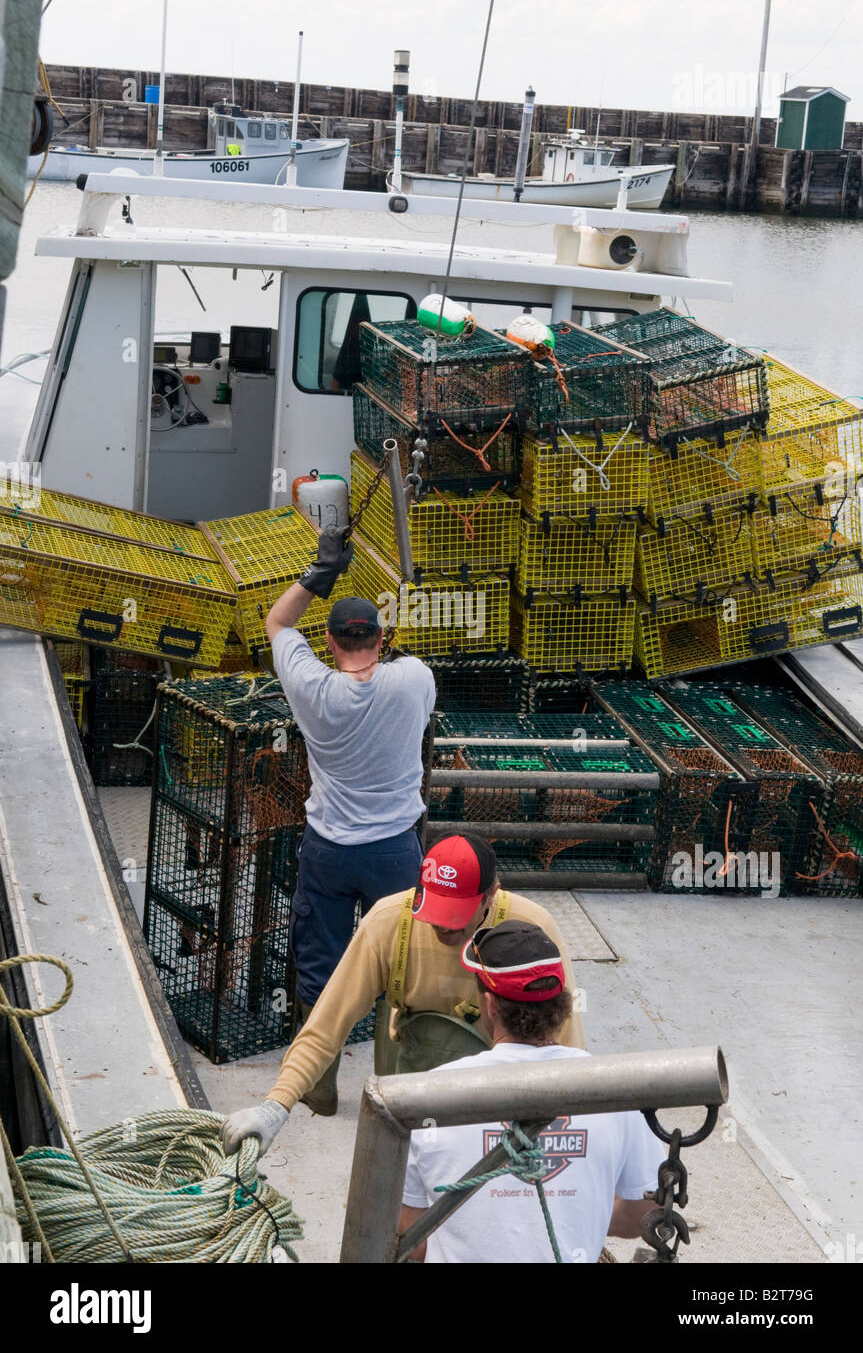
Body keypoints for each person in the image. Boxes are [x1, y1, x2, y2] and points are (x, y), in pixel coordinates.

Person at [220, 834, 586, 1157]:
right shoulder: (390, 922)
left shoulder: (529, 930)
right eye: (436, 910)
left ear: (491, 894)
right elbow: (324, 1028)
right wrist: (276, 1105)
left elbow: (563, 1042)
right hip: (409, 1075)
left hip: (495, 1093)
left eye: (455, 915)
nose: (443, 926)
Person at [263, 524, 435, 1114]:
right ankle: (395, 1088)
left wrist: (319, 573)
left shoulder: (312, 687)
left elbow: (278, 624)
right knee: (403, 963)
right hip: (394, 851)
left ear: (332, 643)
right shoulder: (414, 680)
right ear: (380, 638)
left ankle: (317, 1085)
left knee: (323, 964)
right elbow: (408, 679)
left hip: (329, 849)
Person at [398, 920, 665, 1264]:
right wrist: (582, 1211)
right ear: (561, 1003)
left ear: (490, 1004)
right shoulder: (614, 1090)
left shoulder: (425, 1096)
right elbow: (643, 1213)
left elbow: (414, 1240)